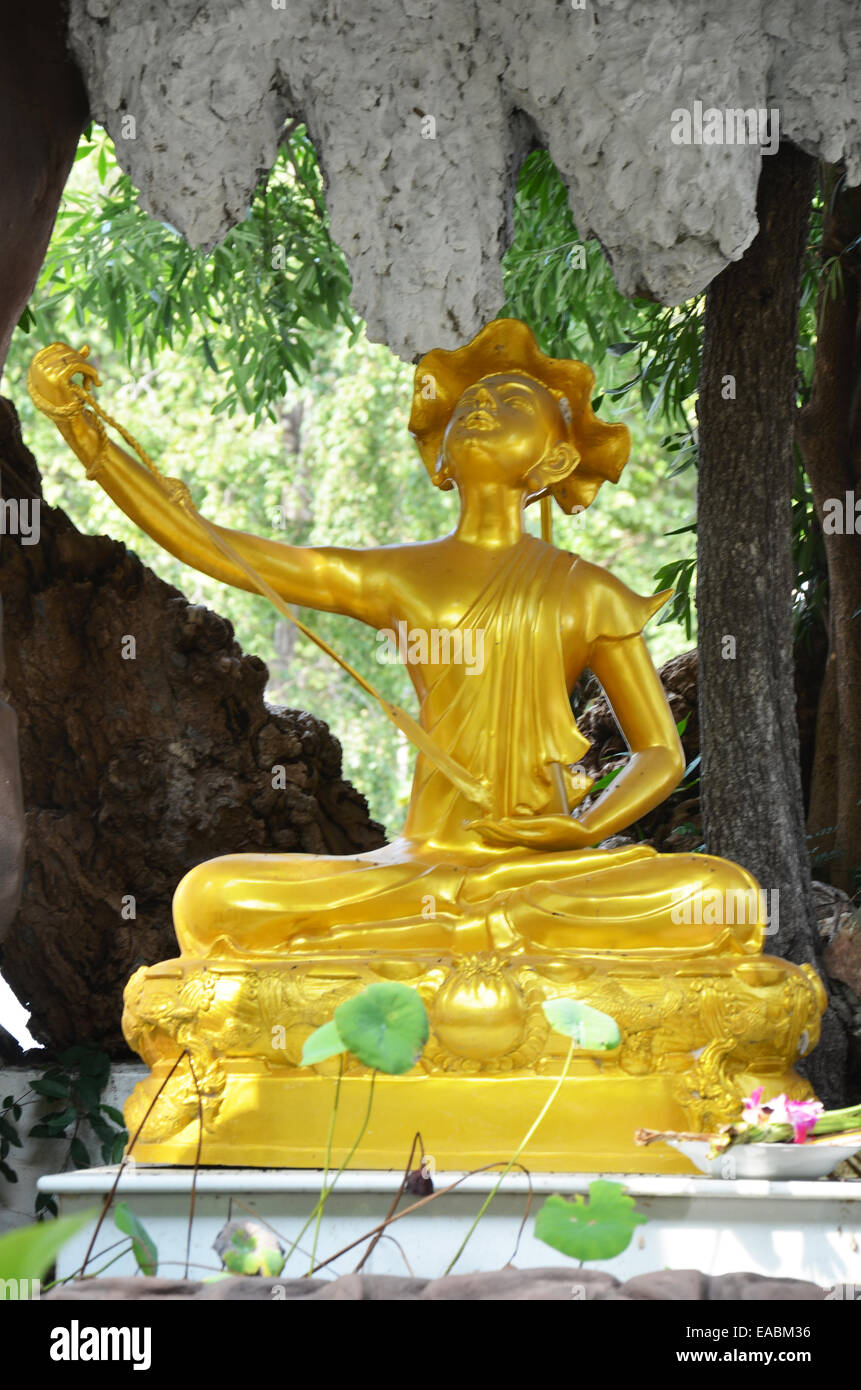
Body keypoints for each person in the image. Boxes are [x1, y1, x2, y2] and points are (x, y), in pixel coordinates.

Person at [28, 320, 766, 960]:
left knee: (715, 893)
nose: (482, 410)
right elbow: (218, 548)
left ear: (554, 461)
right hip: (425, 862)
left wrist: (580, 834)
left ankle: (437, 936)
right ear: (441, 453)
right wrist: (83, 432)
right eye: (471, 403)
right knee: (212, 898)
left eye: (512, 404)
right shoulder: (401, 577)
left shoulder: (585, 588)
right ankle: (460, 928)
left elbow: (659, 753)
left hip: (546, 870)